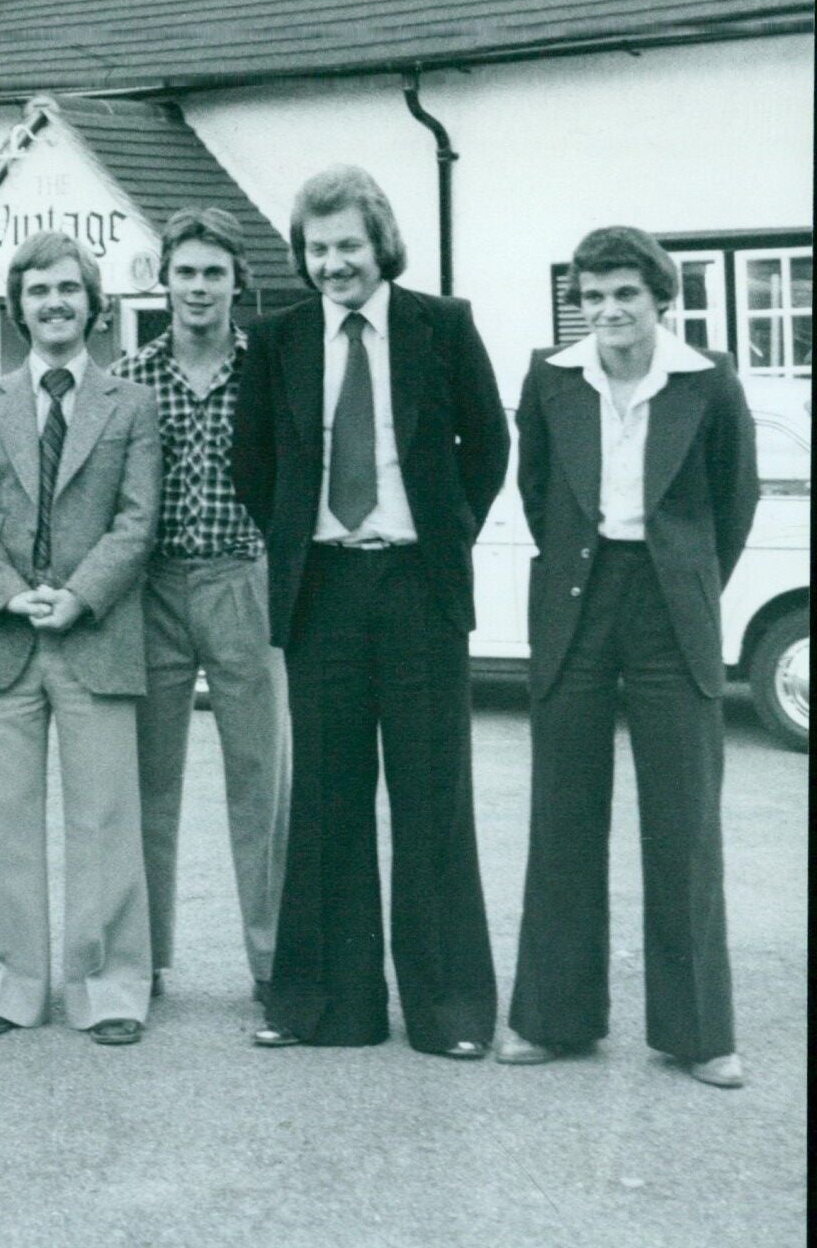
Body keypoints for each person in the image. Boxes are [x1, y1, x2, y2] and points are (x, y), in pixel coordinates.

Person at [231, 164, 509, 1057]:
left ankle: (450, 1013)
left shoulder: (441, 326)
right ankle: (326, 1009)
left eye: (347, 245)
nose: (333, 264)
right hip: (324, 589)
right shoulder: (277, 340)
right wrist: (293, 539)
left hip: (418, 584)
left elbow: (488, 443)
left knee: (432, 797)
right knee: (327, 799)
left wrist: (446, 533)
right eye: (317, 249)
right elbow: (254, 460)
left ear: (379, 243)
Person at [498, 227, 759, 1089]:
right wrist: (587, 561)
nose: (609, 311)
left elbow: (734, 498)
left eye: (626, 296)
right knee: (564, 814)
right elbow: (537, 490)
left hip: (669, 605)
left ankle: (698, 1034)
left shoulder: (707, 383)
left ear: (659, 301)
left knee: (684, 818)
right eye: (594, 295)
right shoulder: (551, 379)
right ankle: (553, 1019)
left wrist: (686, 580)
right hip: (577, 596)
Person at [0, 230, 160, 1045]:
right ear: (17, 307)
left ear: (95, 309)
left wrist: (78, 597)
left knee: (105, 817)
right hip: (5, 635)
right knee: (2, 818)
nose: (55, 303)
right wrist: (9, 595)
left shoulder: (131, 405)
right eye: (39, 291)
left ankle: (109, 989)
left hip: (94, 632)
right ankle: (1, 985)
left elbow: (137, 521)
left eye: (69, 289)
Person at [110, 208, 290, 1004]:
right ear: (164, 278)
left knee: (261, 778)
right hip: (154, 590)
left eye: (214, 273)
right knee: (149, 779)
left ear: (237, 282)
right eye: (185, 271)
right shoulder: (132, 375)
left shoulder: (270, 369)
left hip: (243, 579)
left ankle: (272, 957)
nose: (198, 287)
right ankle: (144, 959)